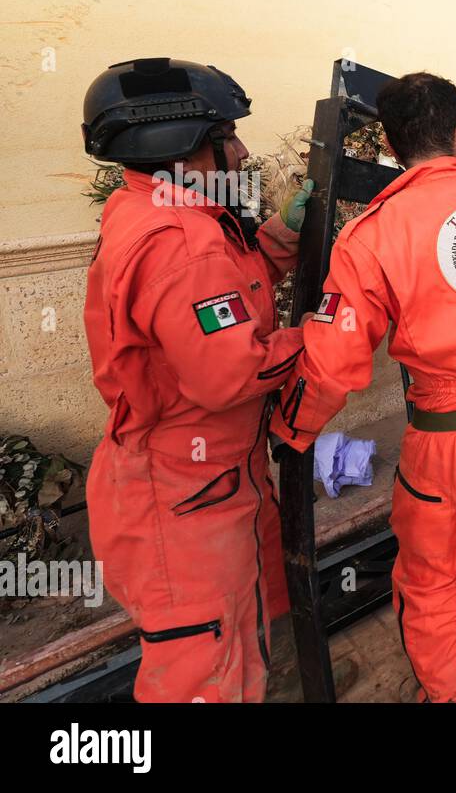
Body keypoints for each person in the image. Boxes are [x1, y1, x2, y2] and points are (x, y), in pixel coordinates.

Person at [270, 72, 456, 703]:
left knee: (434, 583)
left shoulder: (374, 234)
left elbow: (332, 364)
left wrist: (291, 432)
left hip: (448, 445)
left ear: (391, 145)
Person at [81, 57, 312, 702]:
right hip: (181, 496)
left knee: (239, 642)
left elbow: (222, 298)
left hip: (201, 482)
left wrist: (280, 238)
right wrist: (322, 336)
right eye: (226, 136)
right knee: (201, 676)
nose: (240, 151)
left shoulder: (153, 209)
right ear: (183, 148)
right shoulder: (184, 242)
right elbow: (229, 370)